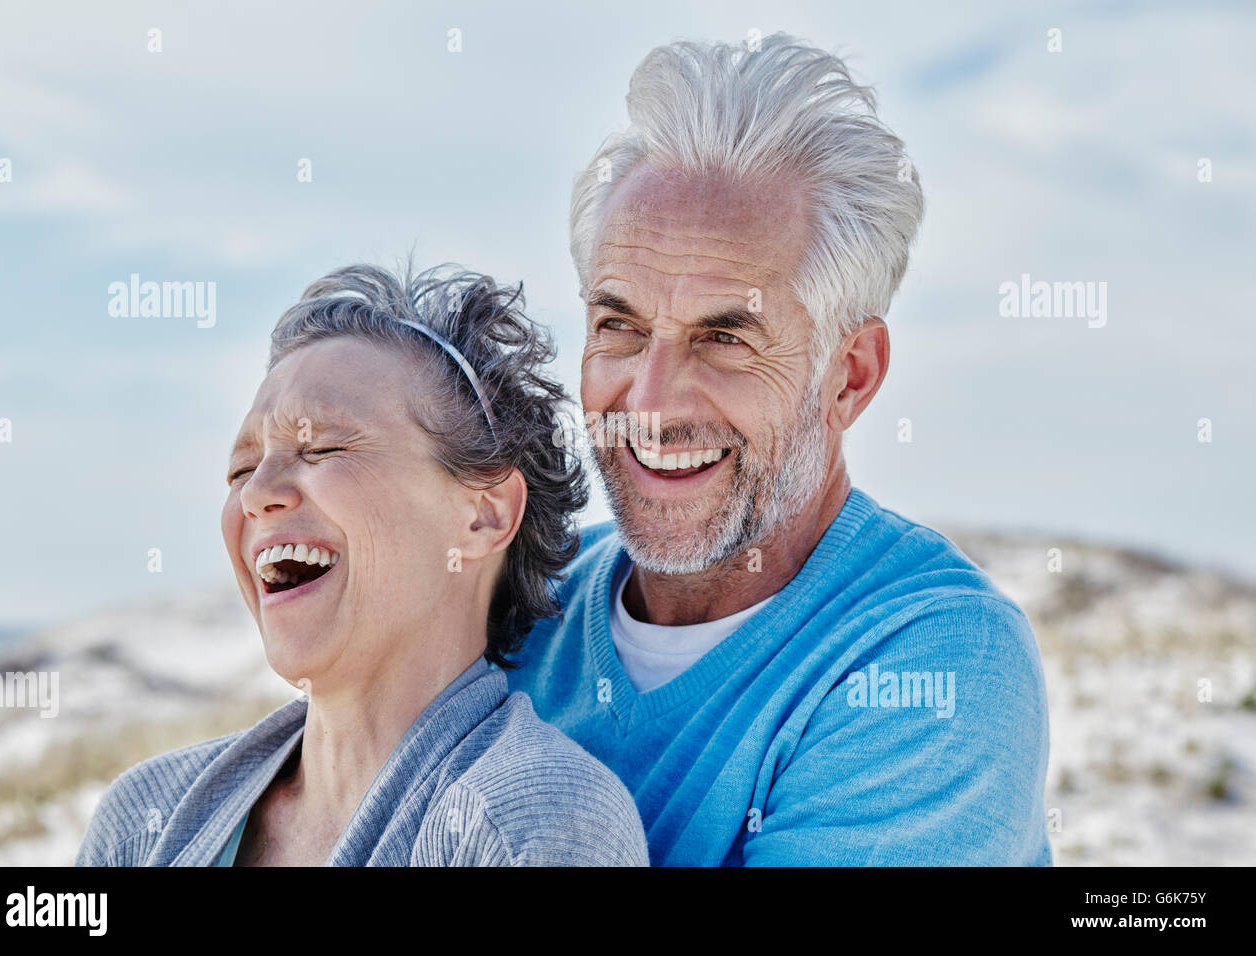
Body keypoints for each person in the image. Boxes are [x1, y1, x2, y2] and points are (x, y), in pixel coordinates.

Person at [505, 33, 1052, 865]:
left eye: (725, 337)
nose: (649, 404)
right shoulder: (514, 606)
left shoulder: (937, 665)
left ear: (850, 377)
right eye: (619, 325)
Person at [75, 263, 648, 866]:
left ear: (484, 514)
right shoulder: (141, 823)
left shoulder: (535, 823)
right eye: (241, 469)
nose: (254, 494)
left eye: (321, 449)